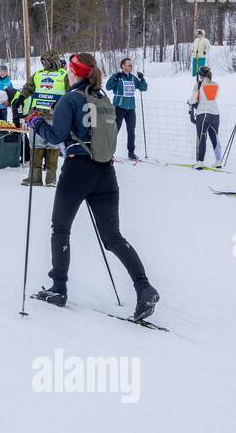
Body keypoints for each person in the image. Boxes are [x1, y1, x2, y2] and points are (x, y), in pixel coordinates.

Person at [25, 52, 159, 321]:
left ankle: (59, 288)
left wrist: (36, 122)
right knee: (113, 237)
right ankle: (144, 287)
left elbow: (56, 135)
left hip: (77, 170)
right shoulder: (101, 96)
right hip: (105, 171)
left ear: (73, 73)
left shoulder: (70, 98)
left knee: (60, 228)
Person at [17, 51, 67, 186]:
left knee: (52, 145)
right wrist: (21, 97)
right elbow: (28, 88)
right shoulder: (38, 74)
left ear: (55, 61)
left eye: (47, 61)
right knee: (35, 145)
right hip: (36, 115)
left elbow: (71, 93)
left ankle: (51, 178)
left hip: (54, 116)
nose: (45, 63)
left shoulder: (64, 75)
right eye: (43, 61)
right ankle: (34, 178)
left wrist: (61, 103)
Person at [105, 58, 147, 160]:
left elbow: (143, 88)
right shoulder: (117, 76)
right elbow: (108, 87)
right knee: (115, 130)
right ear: (123, 66)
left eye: (131, 65)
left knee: (131, 130)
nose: (131, 67)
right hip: (119, 107)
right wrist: (115, 79)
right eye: (129, 65)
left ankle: (131, 152)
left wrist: (142, 79)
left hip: (130, 108)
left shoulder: (133, 78)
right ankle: (108, 152)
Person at [188, 67, 223, 168]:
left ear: (201, 75)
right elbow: (213, 97)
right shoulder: (216, 85)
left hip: (203, 114)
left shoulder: (199, 84)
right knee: (214, 137)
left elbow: (193, 100)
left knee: (202, 137)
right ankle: (218, 161)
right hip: (215, 114)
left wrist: (189, 102)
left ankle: (200, 162)